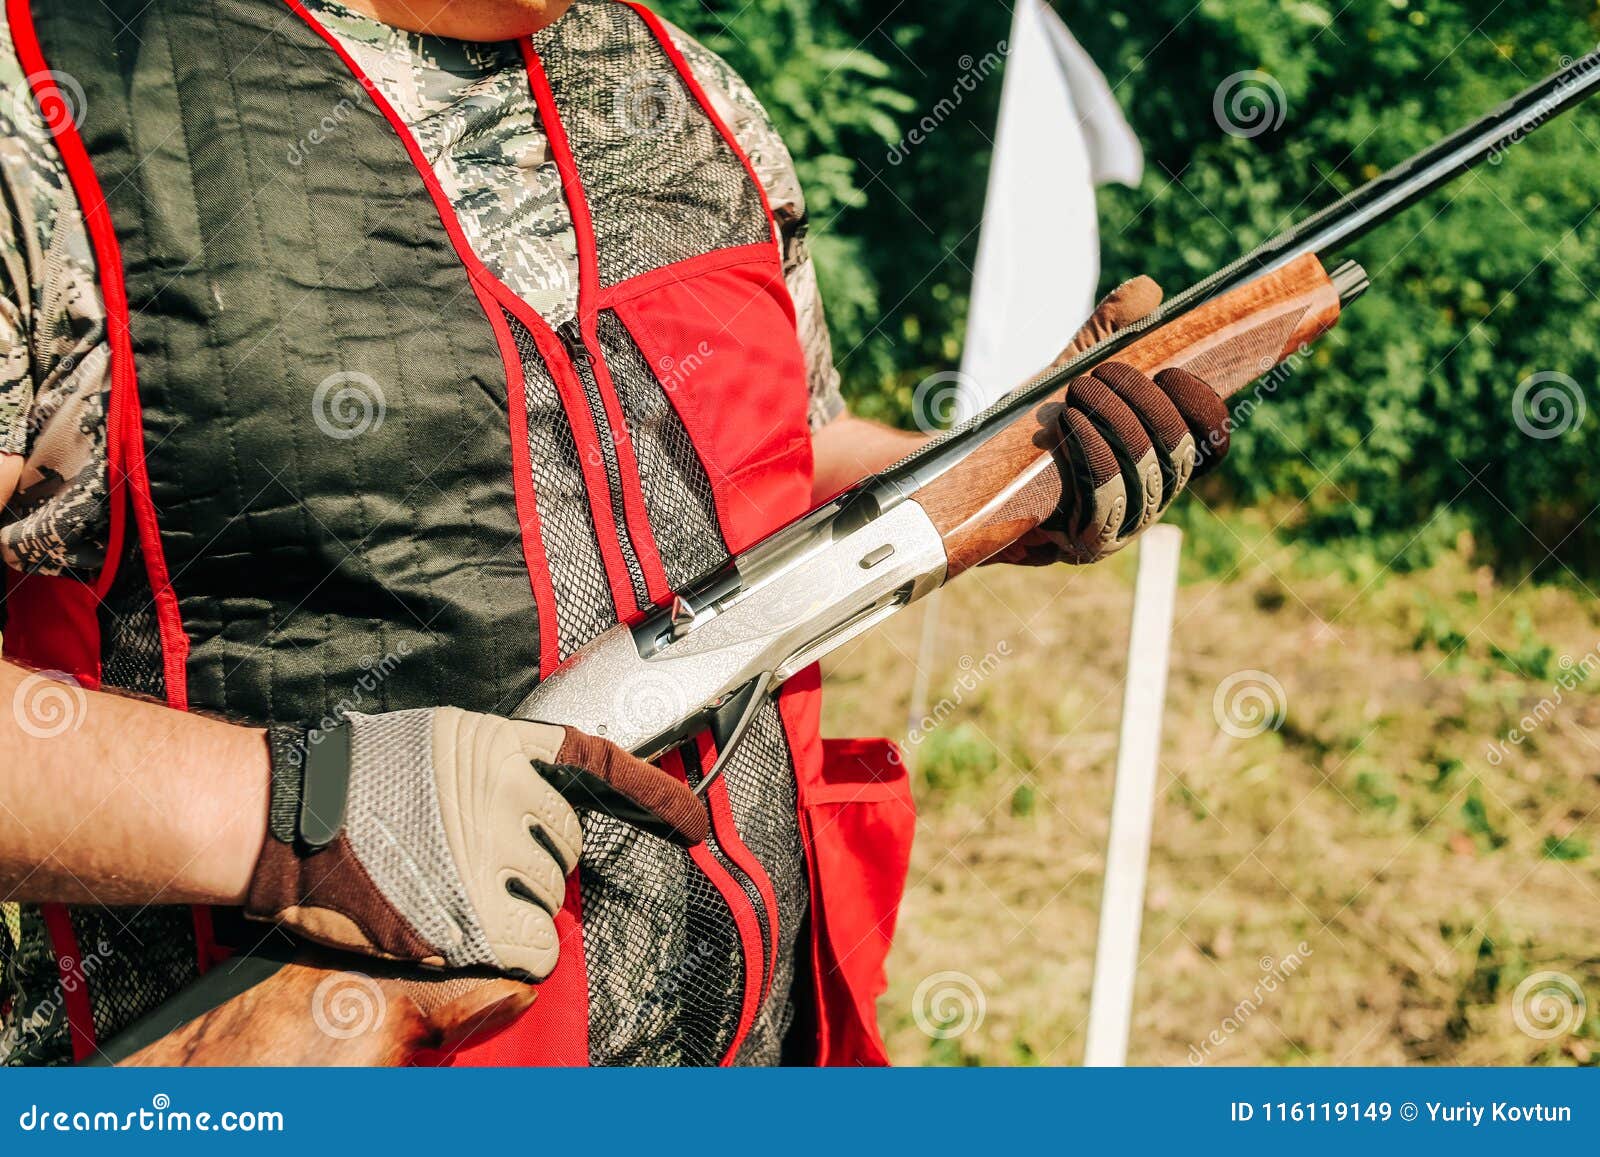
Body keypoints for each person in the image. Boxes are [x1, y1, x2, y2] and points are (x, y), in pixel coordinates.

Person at [0, 0, 1227, 1067]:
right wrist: (285, 812)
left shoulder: (687, 93)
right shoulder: (48, 111)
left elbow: (773, 465)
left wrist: (1015, 468)